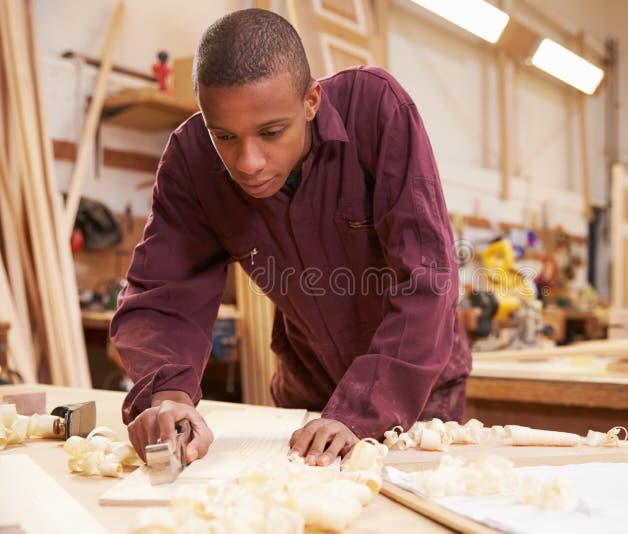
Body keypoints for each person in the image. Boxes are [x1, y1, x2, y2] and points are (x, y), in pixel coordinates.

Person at [111, 8, 471, 467]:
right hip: (308, 387)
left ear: (311, 101)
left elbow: (428, 278)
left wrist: (359, 414)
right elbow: (163, 297)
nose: (248, 162)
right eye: (223, 135)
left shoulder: (375, 110)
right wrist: (168, 396)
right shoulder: (191, 160)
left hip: (415, 384)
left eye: (271, 132)